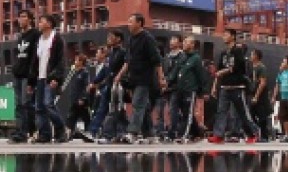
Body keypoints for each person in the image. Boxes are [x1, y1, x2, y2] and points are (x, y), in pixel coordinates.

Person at [113, 13, 166, 144]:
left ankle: (133, 133)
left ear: (139, 23)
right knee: (144, 106)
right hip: (134, 78)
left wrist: (161, 77)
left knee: (137, 104)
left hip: (145, 78)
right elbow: (128, 61)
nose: (128, 24)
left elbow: (156, 59)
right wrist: (119, 75)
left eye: (131, 21)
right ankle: (150, 134)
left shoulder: (147, 38)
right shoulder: (131, 39)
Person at [208, 28, 259, 144]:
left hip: (237, 87)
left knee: (242, 113)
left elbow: (237, 67)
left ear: (233, 36)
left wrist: (223, 72)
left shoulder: (238, 51)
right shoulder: (223, 53)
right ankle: (218, 135)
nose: (223, 37)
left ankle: (253, 133)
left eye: (226, 35)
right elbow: (219, 71)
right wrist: (214, 86)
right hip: (224, 87)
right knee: (221, 111)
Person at [27, 13, 68, 143]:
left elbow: (61, 61)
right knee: (39, 108)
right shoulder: (39, 40)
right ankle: (45, 134)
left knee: (48, 104)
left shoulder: (57, 39)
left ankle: (61, 129)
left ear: (49, 24)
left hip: (50, 78)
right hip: (40, 78)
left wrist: (56, 78)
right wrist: (31, 81)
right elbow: (35, 62)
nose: (39, 23)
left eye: (41, 21)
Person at [83, 31, 125, 142]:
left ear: (118, 39)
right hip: (108, 86)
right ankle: (93, 132)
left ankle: (120, 133)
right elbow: (104, 71)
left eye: (111, 37)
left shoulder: (122, 53)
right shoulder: (110, 54)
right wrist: (93, 82)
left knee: (117, 110)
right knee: (102, 110)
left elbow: (126, 69)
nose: (108, 39)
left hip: (118, 87)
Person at [10, 9, 39, 143]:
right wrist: (15, 68)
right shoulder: (20, 36)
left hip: (28, 75)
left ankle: (29, 131)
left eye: (23, 16)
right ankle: (20, 132)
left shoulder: (35, 35)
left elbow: (34, 57)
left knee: (26, 104)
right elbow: (18, 56)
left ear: (30, 19)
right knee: (18, 105)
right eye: (19, 16)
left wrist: (32, 76)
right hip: (18, 74)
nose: (20, 19)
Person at [170, 35, 206, 142]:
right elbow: (175, 72)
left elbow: (201, 75)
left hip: (190, 90)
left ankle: (183, 135)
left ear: (192, 45)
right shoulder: (182, 57)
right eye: (184, 42)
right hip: (178, 89)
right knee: (183, 112)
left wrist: (202, 91)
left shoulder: (196, 58)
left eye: (186, 42)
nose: (184, 44)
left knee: (188, 113)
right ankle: (197, 132)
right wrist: (167, 81)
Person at [65, 53, 91, 135]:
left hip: (80, 100)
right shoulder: (74, 73)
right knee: (71, 117)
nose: (75, 62)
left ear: (81, 62)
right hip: (74, 99)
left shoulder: (84, 73)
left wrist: (83, 98)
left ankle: (89, 132)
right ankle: (69, 132)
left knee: (85, 117)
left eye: (76, 60)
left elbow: (86, 86)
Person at [249, 48, 272, 141]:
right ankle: (256, 132)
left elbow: (263, 83)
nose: (250, 56)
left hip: (260, 96)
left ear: (256, 56)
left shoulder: (261, 68)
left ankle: (264, 136)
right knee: (251, 115)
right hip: (253, 94)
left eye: (252, 54)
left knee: (262, 116)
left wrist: (256, 96)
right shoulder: (252, 67)